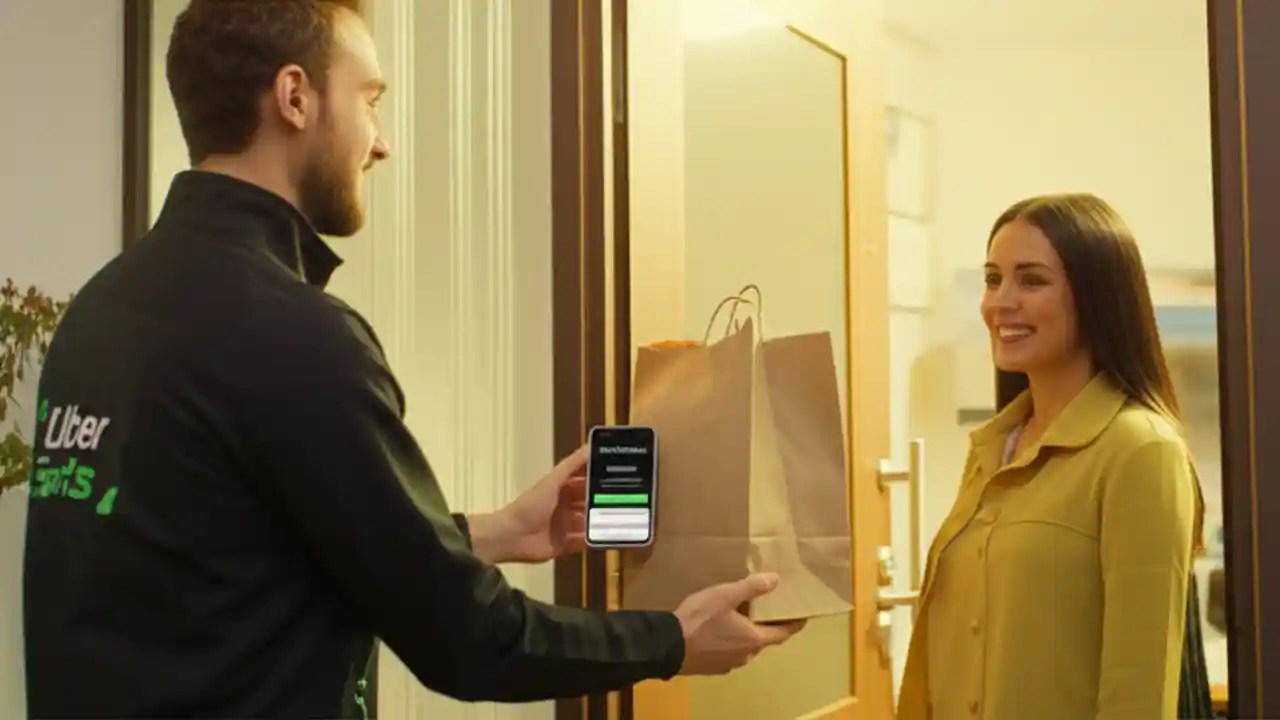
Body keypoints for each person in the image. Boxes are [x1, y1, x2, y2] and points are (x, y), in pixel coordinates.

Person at [21, 1, 803, 717]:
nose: (382, 141)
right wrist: (669, 641)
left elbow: (236, 552)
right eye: (371, 99)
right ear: (295, 98)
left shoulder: (101, 310)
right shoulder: (296, 336)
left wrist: (491, 530)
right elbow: (469, 639)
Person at [896, 194, 1205, 719]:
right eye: (993, 279)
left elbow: (1139, 692)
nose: (1000, 302)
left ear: (1097, 299)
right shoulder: (995, 448)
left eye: (1031, 280)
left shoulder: (1140, 450)